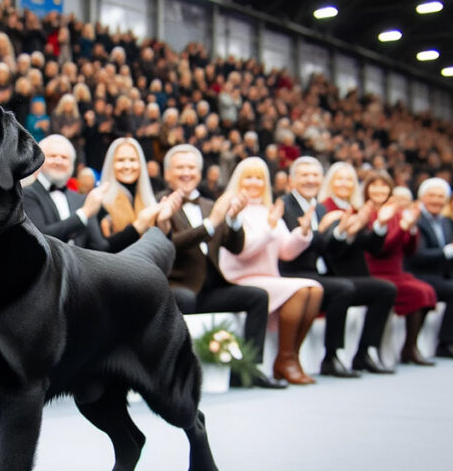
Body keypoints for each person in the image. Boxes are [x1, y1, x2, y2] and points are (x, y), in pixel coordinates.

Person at [160, 145, 285, 389]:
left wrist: (234, 220)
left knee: (258, 297)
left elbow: (235, 247)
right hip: (176, 287)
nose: (187, 173)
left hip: (210, 288)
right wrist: (210, 224)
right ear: (167, 174)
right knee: (184, 298)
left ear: (199, 172)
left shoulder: (209, 204)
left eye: (191, 167)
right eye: (180, 168)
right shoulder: (161, 203)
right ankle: (176, 377)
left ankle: (248, 370)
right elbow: (169, 246)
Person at [280, 157, 397, 377]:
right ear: (292, 180)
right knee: (343, 289)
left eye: (315, 175)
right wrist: (332, 232)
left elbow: (332, 248)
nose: (310, 179)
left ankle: (365, 352)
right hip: (298, 274)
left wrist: (348, 230)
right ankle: (331, 357)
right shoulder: (288, 205)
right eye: (305, 175)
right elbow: (292, 250)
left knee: (386, 290)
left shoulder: (321, 209)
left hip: (324, 273)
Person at [218, 157, 323, 385]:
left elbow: (286, 251)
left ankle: (290, 357)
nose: (254, 182)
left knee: (314, 290)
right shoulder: (232, 208)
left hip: (267, 278)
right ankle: (285, 360)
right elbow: (243, 251)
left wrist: (302, 233)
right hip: (240, 278)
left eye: (259, 178)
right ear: (239, 180)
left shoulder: (269, 210)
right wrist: (269, 227)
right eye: (249, 177)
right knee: (301, 289)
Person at [360, 172, 438, 366]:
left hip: (397, 272)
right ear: (367, 189)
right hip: (375, 271)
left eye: (384, 186)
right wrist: (403, 227)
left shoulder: (397, 214)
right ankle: (409, 348)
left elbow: (409, 250)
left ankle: (410, 346)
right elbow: (381, 249)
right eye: (374, 185)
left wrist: (411, 229)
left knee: (428, 291)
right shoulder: (364, 214)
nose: (379, 190)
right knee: (419, 292)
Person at [405, 178, 453, 360]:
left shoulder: (444, 221)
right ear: (422, 197)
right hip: (419, 275)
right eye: (432, 195)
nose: (436, 200)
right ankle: (445, 343)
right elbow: (417, 254)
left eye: (441, 196)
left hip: (441, 275)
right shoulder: (417, 219)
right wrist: (452, 249)